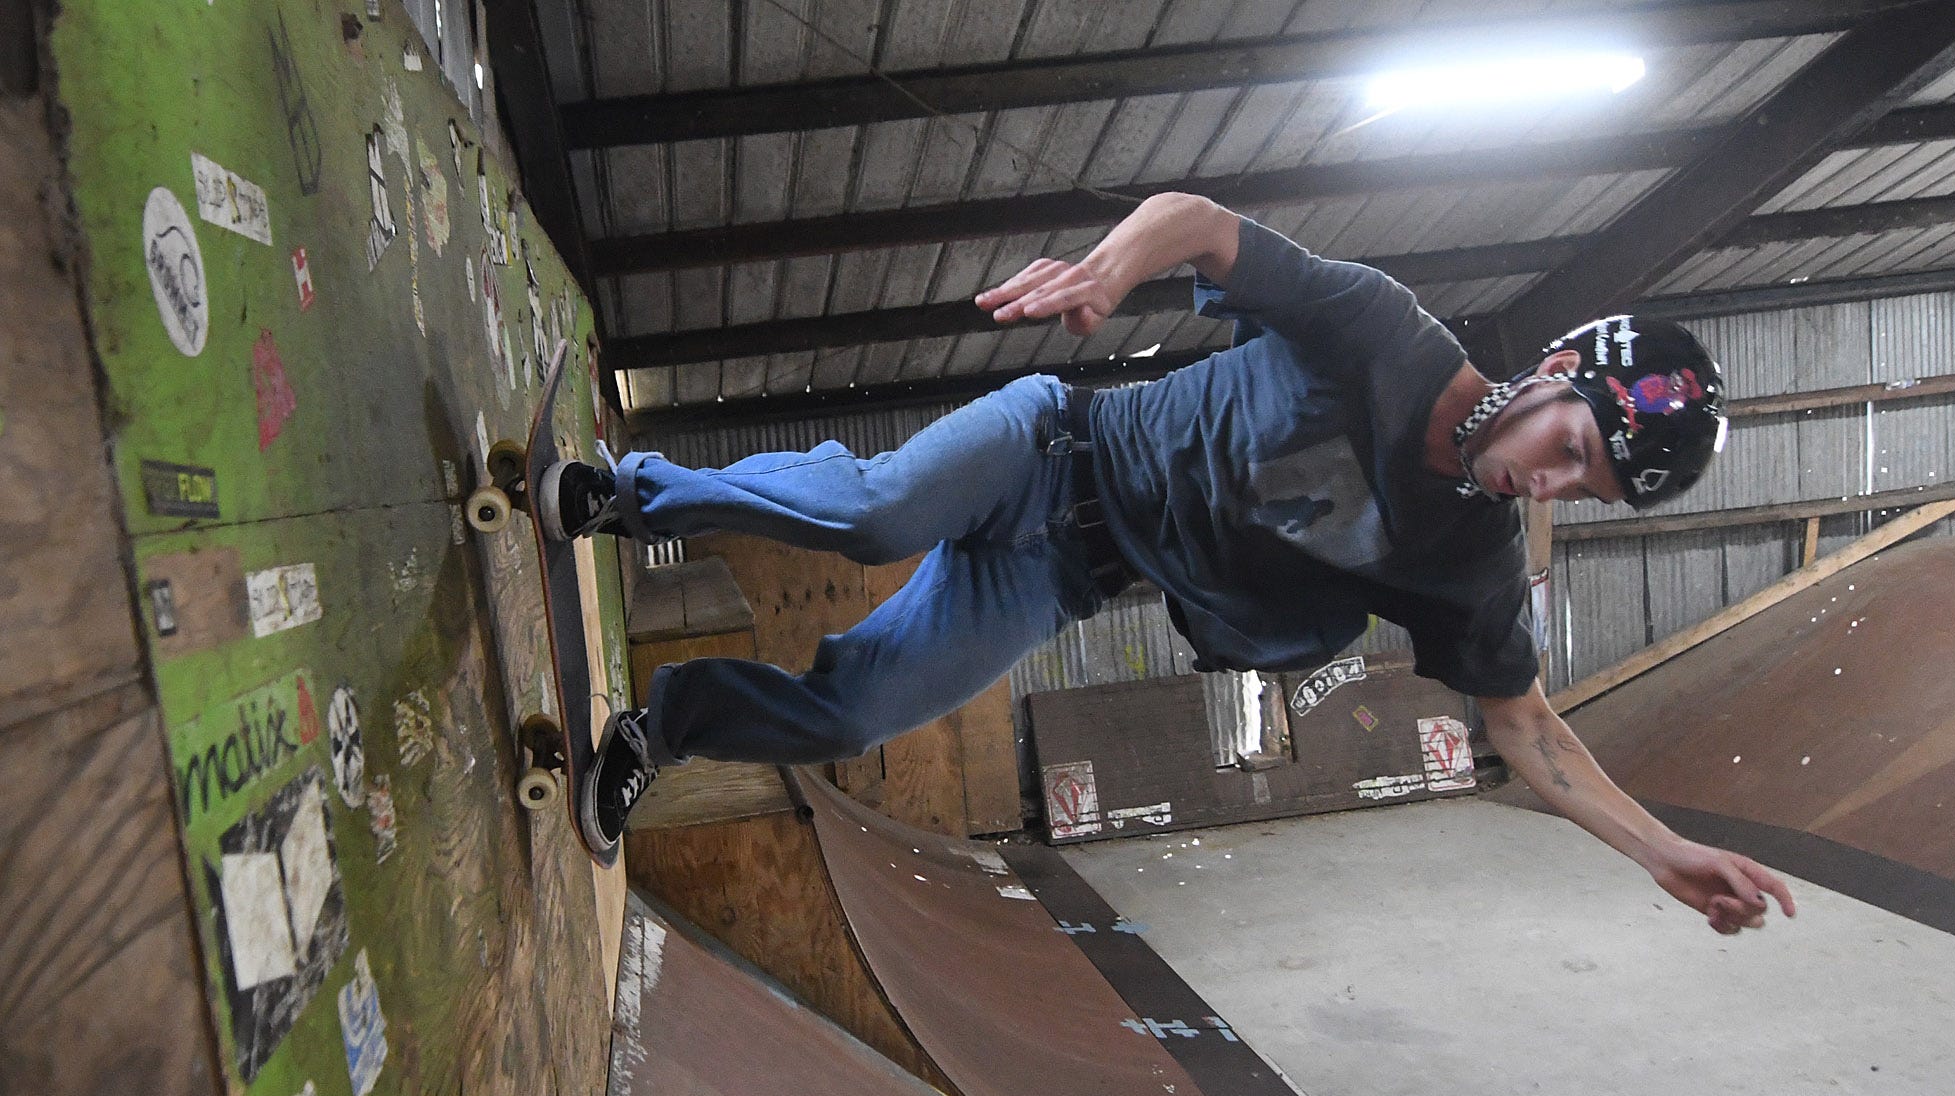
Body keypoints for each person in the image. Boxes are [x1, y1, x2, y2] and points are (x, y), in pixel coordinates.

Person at [549, 192, 1796, 936]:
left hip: (1060, 580)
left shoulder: (1461, 558)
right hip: (1050, 443)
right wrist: (1110, 268)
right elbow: (1200, 226)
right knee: (878, 514)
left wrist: (1658, 851)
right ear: (1556, 374)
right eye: (1567, 448)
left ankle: (663, 728)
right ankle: (632, 490)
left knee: (854, 712)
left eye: (1582, 489)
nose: (1550, 483)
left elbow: (1530, 729)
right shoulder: (1380, 332)